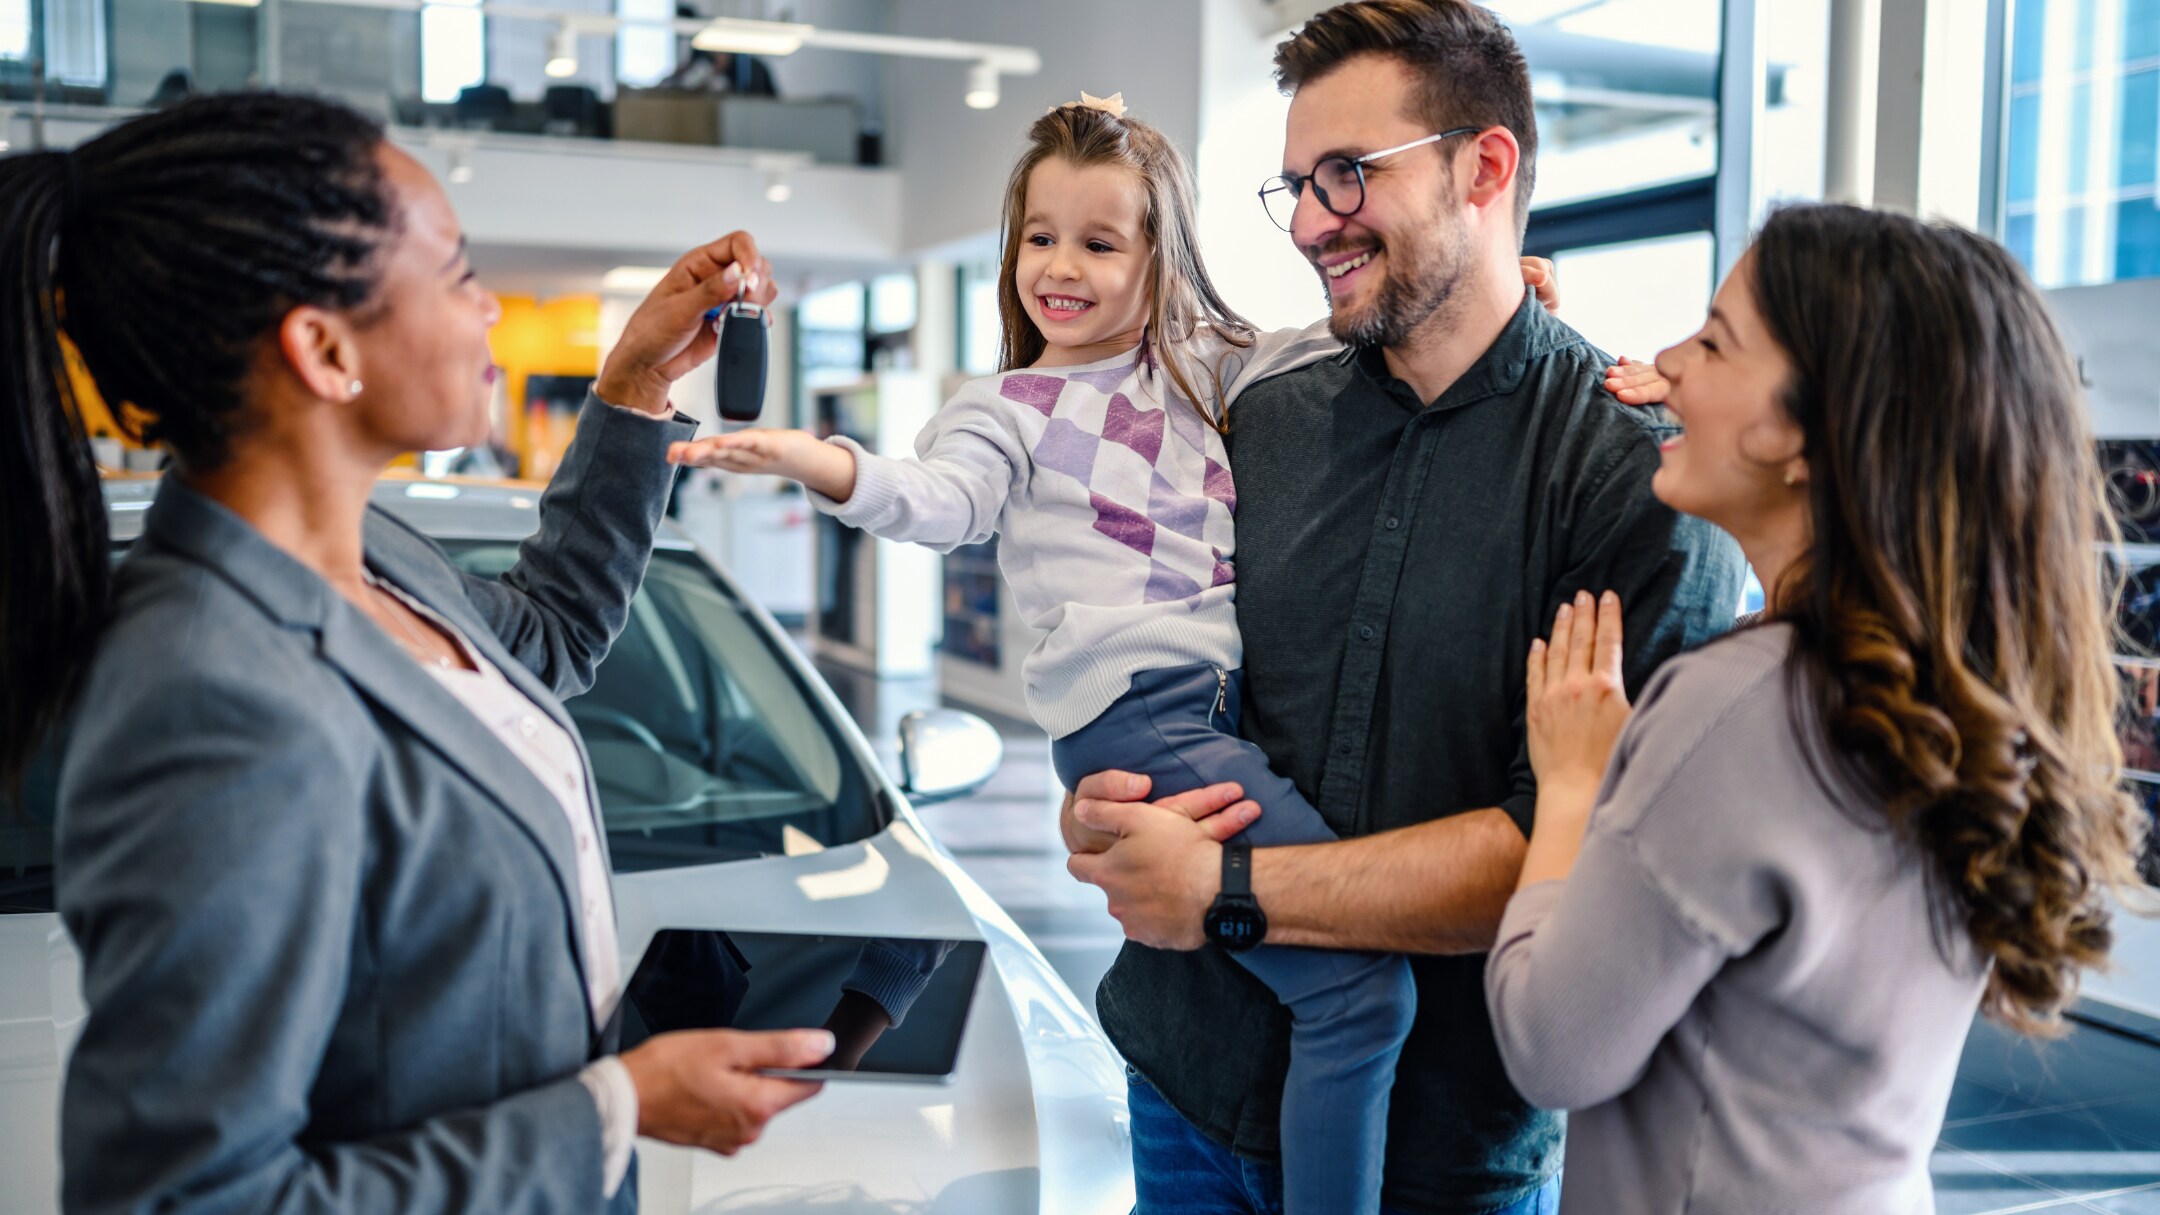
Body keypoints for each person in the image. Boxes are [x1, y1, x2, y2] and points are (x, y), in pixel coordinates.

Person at [667, 91, 1574, 1214]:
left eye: (1100, 241)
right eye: (1040, 237)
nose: (1061, 266)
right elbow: (938, 502)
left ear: (1161, 257)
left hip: (1200, 710)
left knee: (1342, 991)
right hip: (1135, 714)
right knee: (1357, 995)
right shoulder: (1005, 406)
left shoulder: (1201, 368)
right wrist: (819, 463)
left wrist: (1504, 301)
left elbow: (1335, 344)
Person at [0, 92, 834, 1212]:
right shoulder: (210, 701)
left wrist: (637, 388)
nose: (491, 309)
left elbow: (546, 635)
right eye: (455, 274)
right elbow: (188, 1198)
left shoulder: (371, 555)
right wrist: (614, 1109)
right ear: (325, 347)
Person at [1055, 3, 1746, 1213]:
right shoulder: (1253, 422)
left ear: (1485, 166)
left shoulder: (1633, 479)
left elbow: (1577, 858)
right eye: (1295, 188)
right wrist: (1112, 803)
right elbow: (1160, 660)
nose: (1314, 223)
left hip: (1438, 1151)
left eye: (1346, 176)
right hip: (1185, 1082)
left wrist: (1223, 892)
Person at [1486, 204, 2154, 1213]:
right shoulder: (1964, 689)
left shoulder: (1738, 709)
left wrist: (1575, 783)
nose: (1664, 363)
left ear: (1806, 430)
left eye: (1713, 342)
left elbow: (1552, 1047)